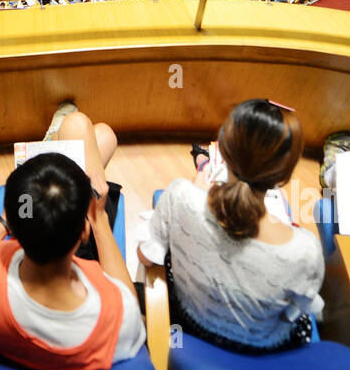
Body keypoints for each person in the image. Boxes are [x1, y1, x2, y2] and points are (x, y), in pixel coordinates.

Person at [0, 145, 145, 370]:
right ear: (84, 232)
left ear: (14, 224)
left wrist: (3, 225)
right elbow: (128, 303)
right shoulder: (118, 316)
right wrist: (99, 220)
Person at [137, 99, 323, 352]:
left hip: (190, 325)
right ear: (284, 174)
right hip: (262, 349)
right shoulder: (305, 250)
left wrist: (195, 192)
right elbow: (292, 313)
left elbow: (147, 258)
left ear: (222, 150)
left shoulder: (181, 196)